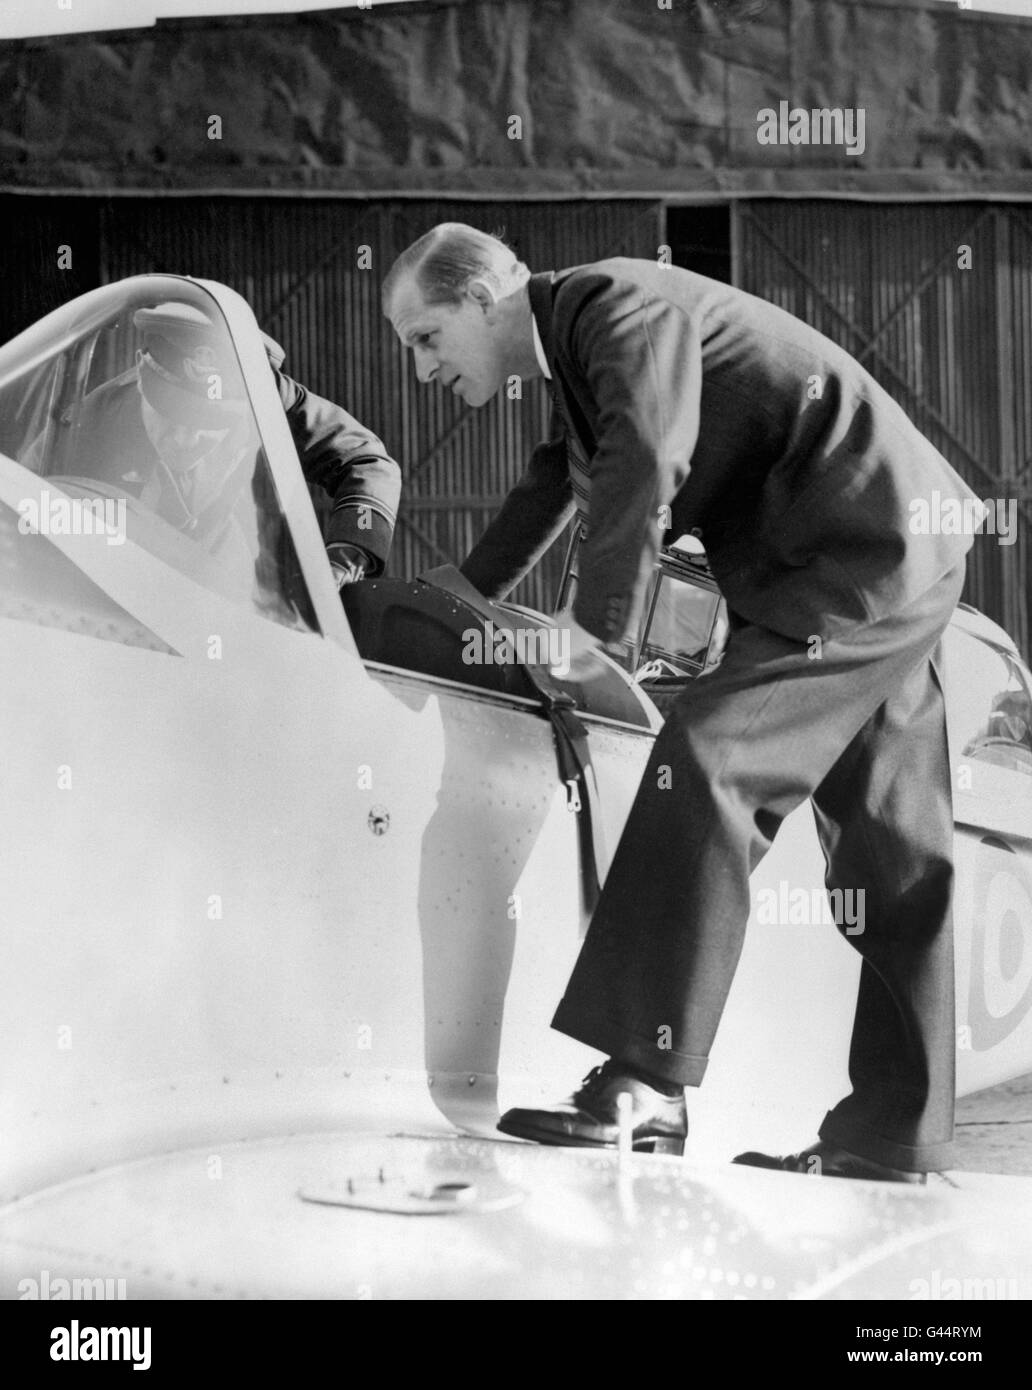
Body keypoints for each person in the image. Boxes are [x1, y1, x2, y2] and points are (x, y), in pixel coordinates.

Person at [383, 223, 981, 1183]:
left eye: (424, 337)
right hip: (878, 551)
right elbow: (558, 485)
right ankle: (891, 1137)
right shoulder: (584, 351)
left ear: (484, 299)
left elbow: (647, 456)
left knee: (704, 760)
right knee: (894, 856)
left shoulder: (618, 305)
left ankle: (647, 1087)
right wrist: (437, 604)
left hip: (856, 556)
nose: (422, 372)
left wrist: (600, 626)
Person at [35, 302, 400, 588]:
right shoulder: (85, 420)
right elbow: (18, 499)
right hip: (118, 586)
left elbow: (367, 462)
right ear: (141, 373)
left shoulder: (263, 395)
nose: (185, 439)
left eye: (209, 426)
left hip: (226, 587)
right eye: (169, 414)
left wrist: (343, 560)